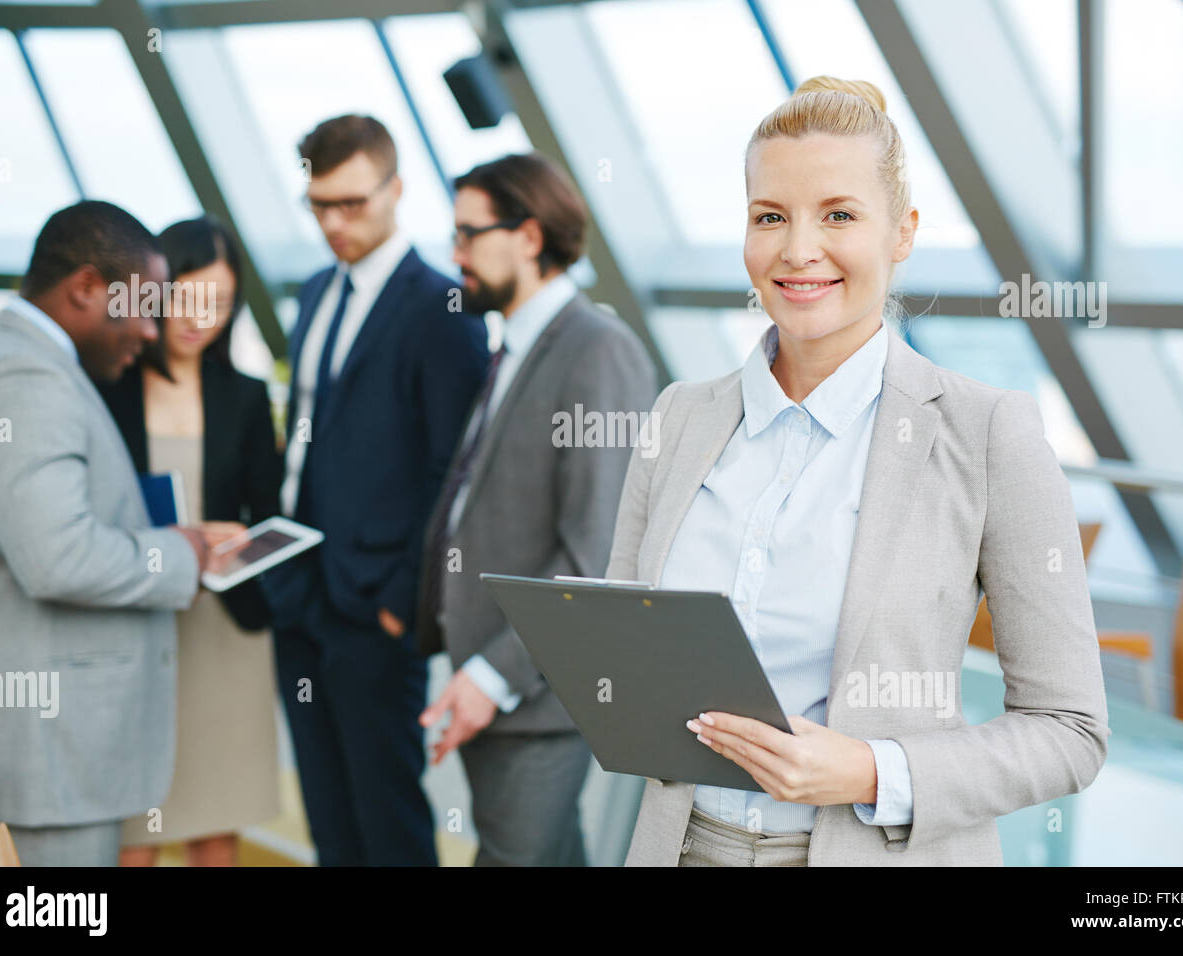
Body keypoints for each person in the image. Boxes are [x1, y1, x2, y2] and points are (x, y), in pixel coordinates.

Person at [608, 76, 1110, 866]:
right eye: (770, 217)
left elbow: (1070, 731)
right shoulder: (678, 420)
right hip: (678, 847)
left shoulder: (987, 433)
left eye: (838, 215)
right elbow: (622, 656)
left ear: (901, 233)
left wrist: (875, 770)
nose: (798, 250)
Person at [0, 200, 221, 866]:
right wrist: (179, 555)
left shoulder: (22, 365)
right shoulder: (26, 377)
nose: (153, 331)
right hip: (46, 767)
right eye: (146, 306)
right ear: (85, 288)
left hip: (48, 760)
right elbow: (57, 556)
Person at [415, 152, 658, 866]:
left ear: (528, 236)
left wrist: (493, 676)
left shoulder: (599, 351)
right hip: (497, 680)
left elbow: (598, 552)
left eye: (469, 234)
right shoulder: (515, 346)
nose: (455, 253)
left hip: (539, 697)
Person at [263, 115, 489, 866]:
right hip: (302, 595)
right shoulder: (316, 289)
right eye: (320, 205)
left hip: (377, 610)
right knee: (330, 818)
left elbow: (450, 475)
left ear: (396, 190)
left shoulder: (442, 307)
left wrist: (404, 605)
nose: (334, 222)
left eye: (352, 204)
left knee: (387, 819)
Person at [95, 216, 284, 867]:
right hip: (138, 629)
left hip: (224, 633)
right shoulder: (108, 389)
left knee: (215, 829)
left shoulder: (248, 398)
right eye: (190, 296)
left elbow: (273, 521)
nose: (203, 318)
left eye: (222, 304)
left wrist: (240, 547)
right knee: (134, 835)